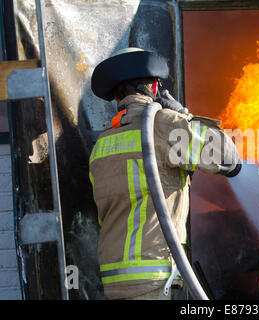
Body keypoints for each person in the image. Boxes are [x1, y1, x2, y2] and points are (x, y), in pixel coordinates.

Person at [89, 47, 241, 300]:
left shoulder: (101, 144)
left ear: (117, 97)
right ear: (155, 87)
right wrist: (183, 115)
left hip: (114, 279)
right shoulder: (164, 125)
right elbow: (229, 160)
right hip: (155, 278)